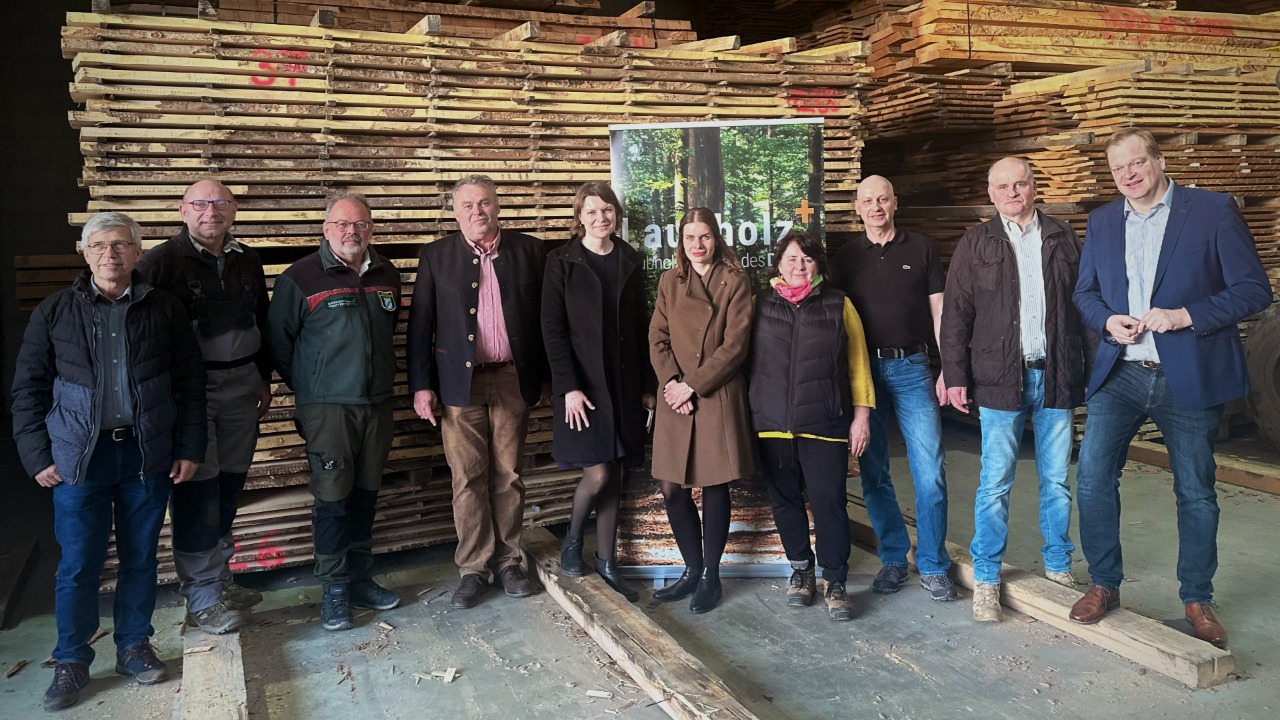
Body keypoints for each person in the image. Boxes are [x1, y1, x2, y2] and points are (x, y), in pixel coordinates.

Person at [1069, 128, 1271, 648]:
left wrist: (1186, 315)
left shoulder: (1212, 211)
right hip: (1122, 374)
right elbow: (1085, 294)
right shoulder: (1102, 221)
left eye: (1137, 163)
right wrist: (1108, 321)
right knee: (1092, 477)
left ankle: (1197, 598)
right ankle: (1104, 584)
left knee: (1196, 490)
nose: (1128, 175)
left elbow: (1254, 289)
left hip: (1188, 377)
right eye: (1118, 169)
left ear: (1159, 161)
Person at [11, 212, 206, 711]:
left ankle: (133, 647)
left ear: (138, 252)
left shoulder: (164, 310)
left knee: (141, 557)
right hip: (80, 459)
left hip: (144, 454)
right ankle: (72, 658)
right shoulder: (55, 313)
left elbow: (188, 384)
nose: (109, 254)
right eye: (98, 245)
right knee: (78, 564)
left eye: (120, 245)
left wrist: (188, 447)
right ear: (84, 252)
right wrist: (37, 455)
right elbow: (28, 389)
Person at [941, 157, 1087, 623]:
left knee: (1058, 480)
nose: (1012, 193)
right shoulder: (976, 242)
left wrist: (1093, 371)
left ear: (1033, 185)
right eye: (1002, 186)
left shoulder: (1062, 236)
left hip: (1055, 373)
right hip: (999, 377)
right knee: (995, 481)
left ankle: (1059, 568)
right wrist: (956, 374)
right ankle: (986, 577)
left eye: (1020, 183)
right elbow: (956, 315)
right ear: (991, 192)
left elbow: (1084, 306)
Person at [136, 179, 272, 635]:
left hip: (241, 381)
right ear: (182, 210)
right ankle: (202, 598)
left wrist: (263, 377)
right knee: (197, 492)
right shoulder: (159, 263)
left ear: (233, 209)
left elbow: (263, 320)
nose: (210, 212)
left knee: (229, 486)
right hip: (191, 390)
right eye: (200, 204)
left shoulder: (247, 259)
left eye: (220, 203)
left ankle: (221, 580)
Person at [406, 175, 548, 610]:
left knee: (508, 475)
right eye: (467, 205)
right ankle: (473, 569)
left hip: (512, 378)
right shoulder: (436, 256)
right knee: (466, 478)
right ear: (455, 212)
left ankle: (509, 562)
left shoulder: (530, 251)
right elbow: (420, 327)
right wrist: (421, 385)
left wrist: (551, 379)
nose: (477, 212)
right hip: (456, 383)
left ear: (498, 207)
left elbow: (549, 319)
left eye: (484, 203)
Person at [267, 193, 402, 631]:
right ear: (326, 230)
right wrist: (313, 387)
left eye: (360, 224)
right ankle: (335, 588)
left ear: (371, 229)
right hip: (328, 410)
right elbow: (280, 345)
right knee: (333, 499)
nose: (352, 232)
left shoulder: (387, 275)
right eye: (342, 224)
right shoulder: (301, 278)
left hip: (377, 405)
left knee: (366, 495)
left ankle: (361, 579)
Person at [830, 175, 955, 602]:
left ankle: (934, 564)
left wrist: (949, 368)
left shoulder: (920, 249)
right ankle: (895, 559)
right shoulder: (845, 258)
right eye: (868, 200)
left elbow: (940, 312)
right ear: (858, 207)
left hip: (914, 367)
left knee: (929, 471)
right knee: (874, 472)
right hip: (864, 375)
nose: (876, 206)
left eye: (883, 198)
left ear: (895, 203)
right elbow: (835, 320)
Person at [749, 230, 874, 621]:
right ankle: (800, 570)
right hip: (771, 424)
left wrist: (861, 417)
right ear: (778, 264)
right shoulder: (759, 304)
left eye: (806, 259)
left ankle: (835, 580)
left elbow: (858, 364)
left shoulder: (839, 304)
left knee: (829, 503)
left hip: (825, 423)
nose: (798, 266)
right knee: (784, 502)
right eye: (790, 259)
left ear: (818, 264)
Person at [542, 181, 656, 602]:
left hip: (624, 384)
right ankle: (573, 540)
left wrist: (647, 386)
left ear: (616, 215)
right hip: (583, 388)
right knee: (599, 471)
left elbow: (643, 325)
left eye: (607, 210)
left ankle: (607, 562)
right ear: (579, 217)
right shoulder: (561, 261)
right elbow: (551, 331)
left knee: (618, 474)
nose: (600, 218)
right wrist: (567, 387)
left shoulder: (630, 258)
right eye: (591, 211)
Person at [648, 207, 754, 614]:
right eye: (690, 237)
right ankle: (690, 569)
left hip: (715, 393)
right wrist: (673, 383)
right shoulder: (669, 282)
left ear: (717, 238)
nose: (698, 245)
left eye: (705, 236)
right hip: (675, 394)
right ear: (681, 242)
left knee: (713, 485)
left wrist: (693, 384)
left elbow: (735, 346)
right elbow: (657, 338)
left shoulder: (736, 281)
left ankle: (711, 575)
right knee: (672, 487)